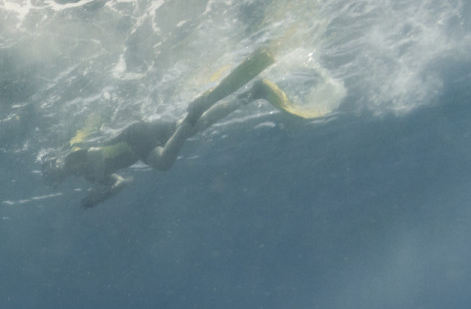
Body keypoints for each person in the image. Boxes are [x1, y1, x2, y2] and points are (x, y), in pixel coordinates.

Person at [45, 48, 311, 208]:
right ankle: (252, 93)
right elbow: (122, 182)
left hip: (134, 137)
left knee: (163, 163)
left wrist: (91, 177)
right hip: (140, 139)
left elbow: (93, 153)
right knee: (200, 125)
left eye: (52, 174)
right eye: (53, 179)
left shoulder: (72, 158)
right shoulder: (88, 178)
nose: (56, 178)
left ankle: (192, 112)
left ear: (55, 165)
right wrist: (99, 198)